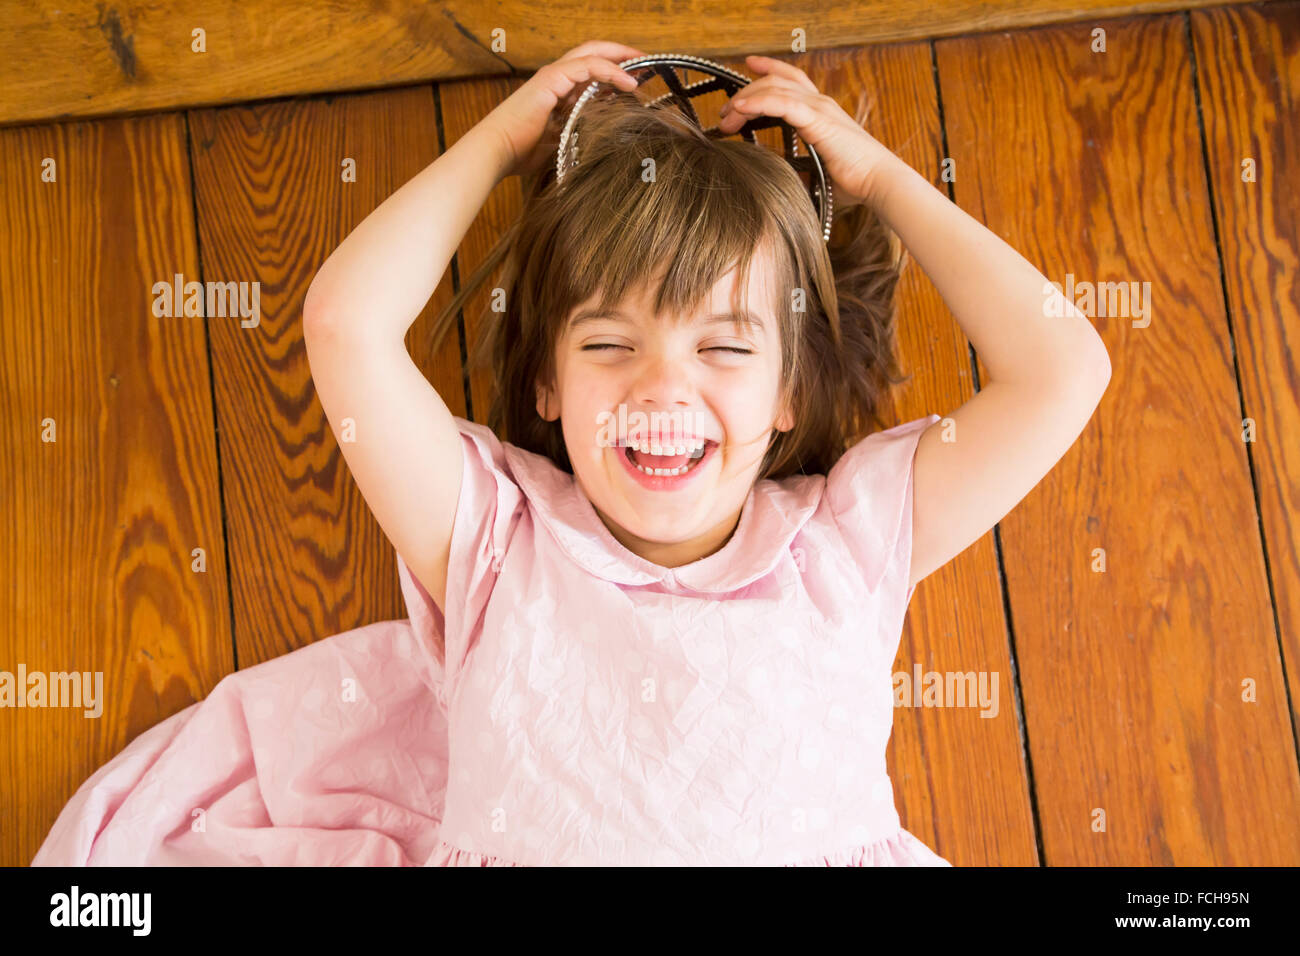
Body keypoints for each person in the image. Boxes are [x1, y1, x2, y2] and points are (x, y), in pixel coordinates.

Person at [33, 41, 1109, 866]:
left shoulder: (843, 543)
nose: (661, 388)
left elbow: (1065, 368)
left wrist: (875, 177)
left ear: (787, 392)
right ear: (548, 382)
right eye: (609, 343)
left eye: (723, 346)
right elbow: (345, 325)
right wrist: (503, 137)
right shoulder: (498, 540)